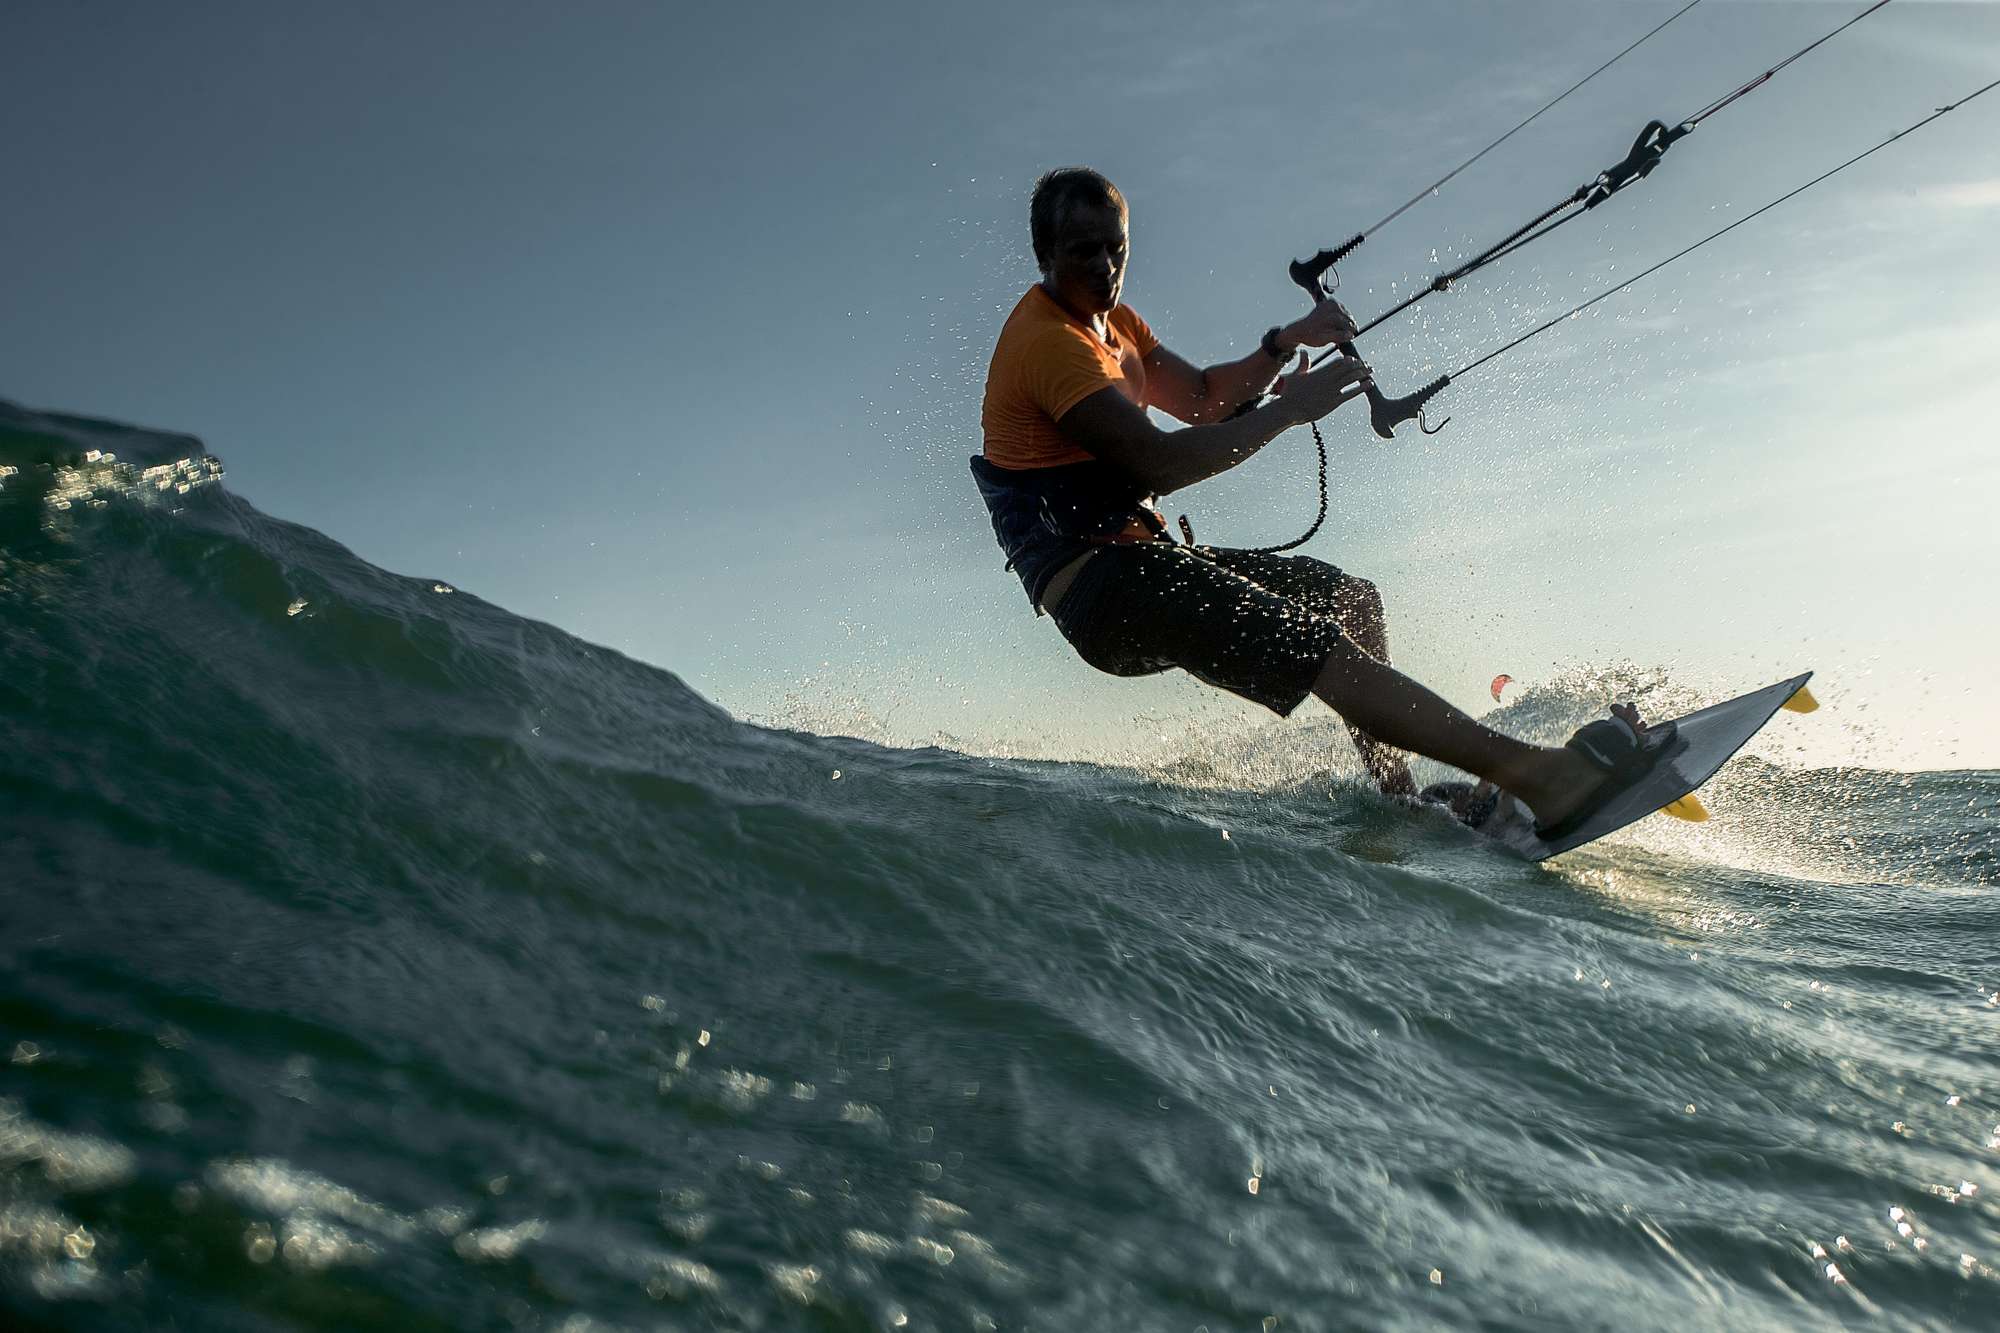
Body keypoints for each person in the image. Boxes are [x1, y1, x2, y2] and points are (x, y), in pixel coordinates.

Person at [969, 167, 1675, 838]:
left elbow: (1204, 398)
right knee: (1316, 646)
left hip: (1142, 562)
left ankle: (1401, 800)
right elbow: (1160, 462)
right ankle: (1543, 778)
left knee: (1349, 601)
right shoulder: (1049, 344)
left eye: (1116, 248)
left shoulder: (1116, 322)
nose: (1104, 266)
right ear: (1045, 255)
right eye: (1083, 251)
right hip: (1097, 589)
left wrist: (1284, 343)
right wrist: (1288, 411)